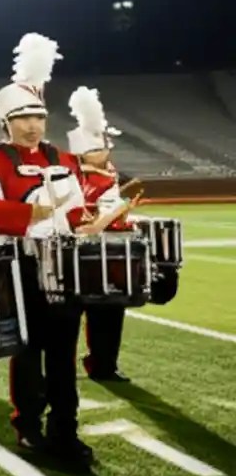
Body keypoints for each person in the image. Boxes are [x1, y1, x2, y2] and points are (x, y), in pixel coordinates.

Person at [0, 33, 94, 470]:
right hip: (20, 266)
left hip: (65, 264)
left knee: (62, 352)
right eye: (22, 117)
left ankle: (65, 429)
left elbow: (77, 210)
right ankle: (28, 427)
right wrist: (35, 210)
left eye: (38, 115)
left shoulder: (64, 158)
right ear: (6, 122)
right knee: (28, 349)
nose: (32, 125)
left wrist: (89, 221)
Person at [67, 85, 133, 383]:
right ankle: (70, 365)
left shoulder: (111, 174)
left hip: (112, 249)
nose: (103, 152)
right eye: (94, 149)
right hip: (79, 251)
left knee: (111, 307)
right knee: (73, 311)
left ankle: (105, 363)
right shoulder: (72, 176)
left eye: (103, 147)